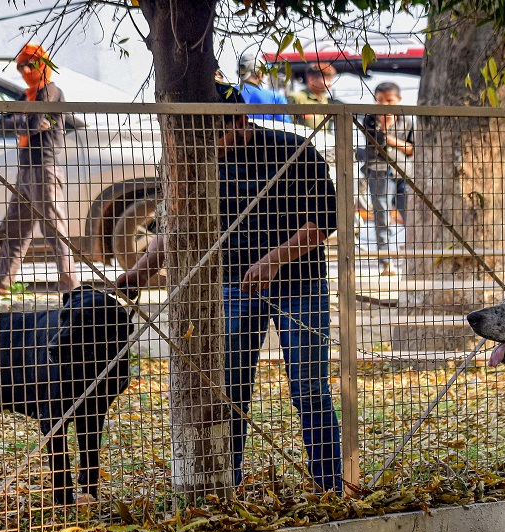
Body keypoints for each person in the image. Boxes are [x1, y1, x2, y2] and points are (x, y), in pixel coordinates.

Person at [116, 84, 342, 493]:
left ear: (240, 120)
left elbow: (324, 221)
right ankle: (228, 485)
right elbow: (174, 225)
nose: (211, 148)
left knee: (309, 389)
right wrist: (138, 274)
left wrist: (273, 261)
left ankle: (331, 487)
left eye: (216, 137)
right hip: (233, 289)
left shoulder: (295, 150)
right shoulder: (194, 158)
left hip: (299, 284)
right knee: (231, 391)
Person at [0, 42, 78, 294]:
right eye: (20, 66)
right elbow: (3, 122)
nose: (24, 70)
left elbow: (31, 122)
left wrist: (23, 120)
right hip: (26, 167)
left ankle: (70, 284)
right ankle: (1, 280)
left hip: (44, 166)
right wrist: (25, 119)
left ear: (41, 63)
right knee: (14, 226)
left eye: (29, 65)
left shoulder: (50, 91)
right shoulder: (27, 94)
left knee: (53, 226)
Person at [362, 81, 414, 276]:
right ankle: (386, 262)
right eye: (380, 101)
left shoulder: (407, 121)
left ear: (399, 100)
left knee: (409, 214)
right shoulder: (370, 120)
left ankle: (412, 255)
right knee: (382, 216)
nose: (384, 105)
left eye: (389, 101)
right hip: (378, 171)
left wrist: (391, 140)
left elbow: (411, 149)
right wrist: (384, 126)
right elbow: (377, 141)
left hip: (402, 171)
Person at [237, 54, 291, 123]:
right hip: (263, 133)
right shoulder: (275, 96)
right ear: (260, 74)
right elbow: (286, 125)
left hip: (234, 133)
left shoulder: (228, 94)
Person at [288, 62, 339, 130]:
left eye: (331, 80)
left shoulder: (324, 99)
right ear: (312, 79)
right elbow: (288, 126)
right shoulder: (296, 98)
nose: (330, 84)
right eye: (327, 79)